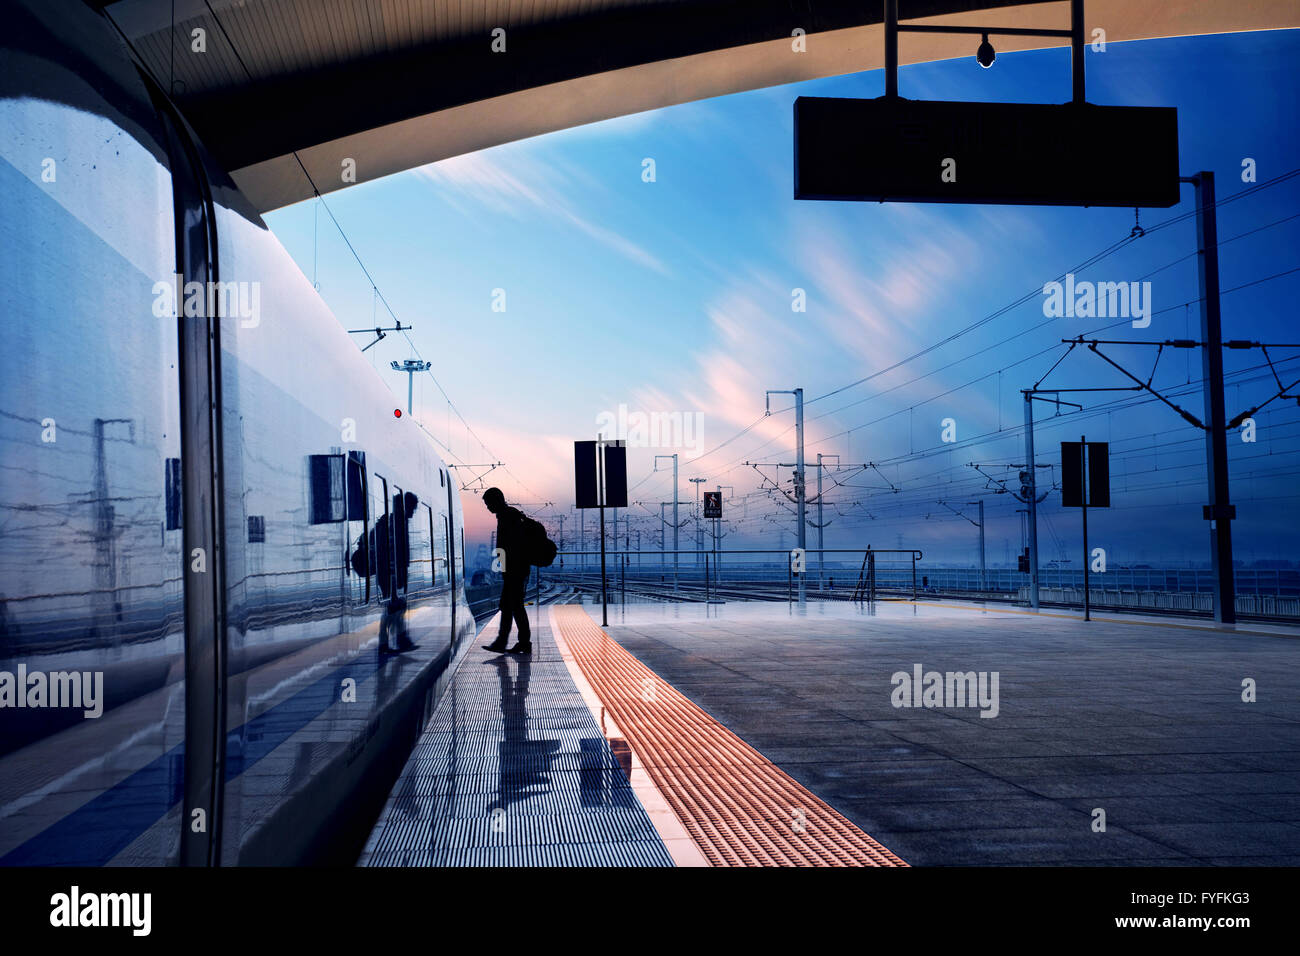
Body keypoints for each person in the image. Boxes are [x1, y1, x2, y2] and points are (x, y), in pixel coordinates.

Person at [481, 487, 531, 654]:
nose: (488, 507)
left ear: (497, 500)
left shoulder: (507, 516)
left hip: (515, 570)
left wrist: (504, 568)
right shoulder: (509, 515)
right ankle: (509, 641)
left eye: (489, 503)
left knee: (513, 606)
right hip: (516, 569)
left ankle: (516, 642)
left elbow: (507, 546)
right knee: (511, 606)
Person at [372, 492, 420, 654]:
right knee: (394, 607)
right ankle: (390, 642)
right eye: (412, 508)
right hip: (389, 573)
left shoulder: (394, 521)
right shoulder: (395, 522)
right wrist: (397, 576)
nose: (413, 512)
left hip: (389, 573)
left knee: (394, 607)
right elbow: (393, 552)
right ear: (404, 506)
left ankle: (396, 640)